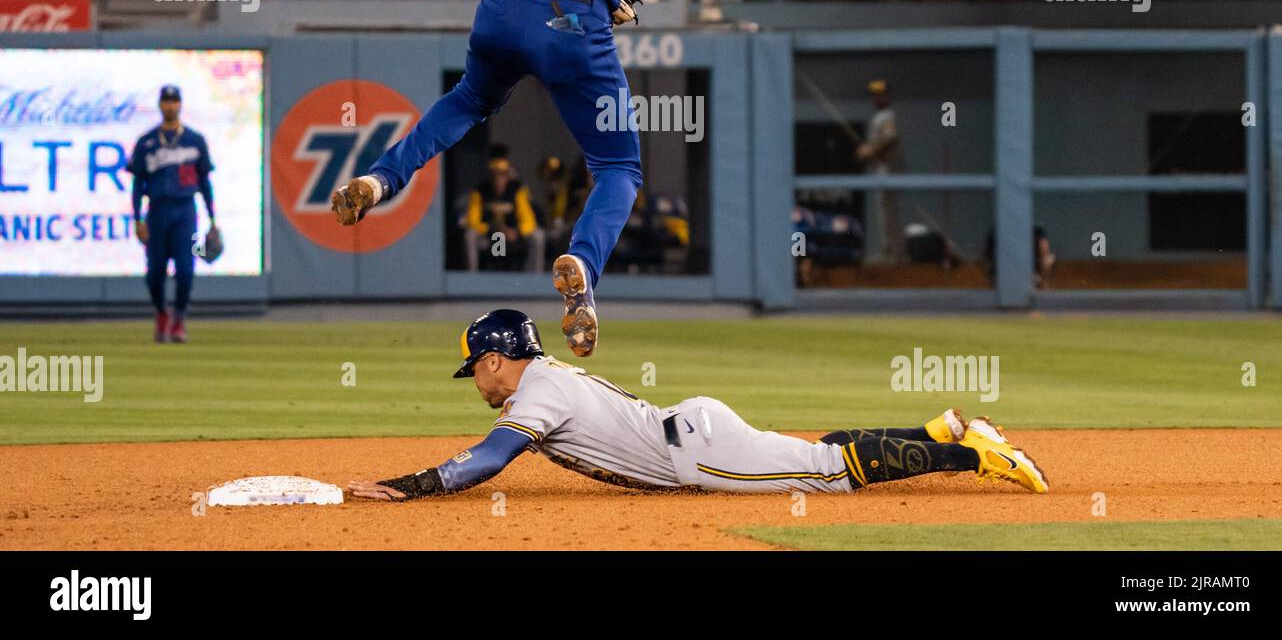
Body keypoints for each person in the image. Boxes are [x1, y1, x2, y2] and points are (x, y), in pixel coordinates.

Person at [330, 0, 783, 356]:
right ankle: (582, 268)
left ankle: (379, 179)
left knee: (470, 99)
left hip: (502, 7)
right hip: (570, 24)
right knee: (619, 168)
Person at [345, 309, 1049, 502]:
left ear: (496, 359)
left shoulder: (538, 390)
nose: (476, 381)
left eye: (475, 368)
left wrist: (411, 487)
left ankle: (972, 453)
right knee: (818, 451)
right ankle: (937, 430)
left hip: (697, 452)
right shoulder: (547, 380)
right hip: (695, 432)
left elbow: (492, 458)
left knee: (829, 473)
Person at [129, 85, 216, 345]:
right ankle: (161, 313)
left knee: (186, 269)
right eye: (166, 101)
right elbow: (137, 185)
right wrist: (137, 219)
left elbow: (204, 183)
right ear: (160, 105)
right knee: (154, 271)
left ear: (180, 104)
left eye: (174, 101)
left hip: (186, 212)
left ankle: (178, 320)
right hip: (157, 212)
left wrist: (213, 220)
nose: (170, 105)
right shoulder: (146, 142)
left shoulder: (194, 140)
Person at [464, 146, 545, 272]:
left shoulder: (517, 190)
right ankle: (471, 277)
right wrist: (491, 229)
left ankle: (532, 279)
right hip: (490, 237)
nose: (498, 179)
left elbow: (529, 221)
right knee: (470, 235)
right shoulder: (480, 191)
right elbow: (472, 221)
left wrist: (516, 232)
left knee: (537, 235)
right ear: (490, 176)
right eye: (495, 175)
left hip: (512, 237)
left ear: (507, 176)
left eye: (502, 175)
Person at [855, 79, 902, 264]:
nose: (877, 98)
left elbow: (890, 137)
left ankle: (891, 253)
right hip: (881, 167)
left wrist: (870, 150)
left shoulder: (887, 115)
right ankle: (889, 251)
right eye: (875, 95)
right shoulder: (880, 116)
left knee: (886, 212)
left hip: (887, 168)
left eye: (881, 94)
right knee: (884, 212)